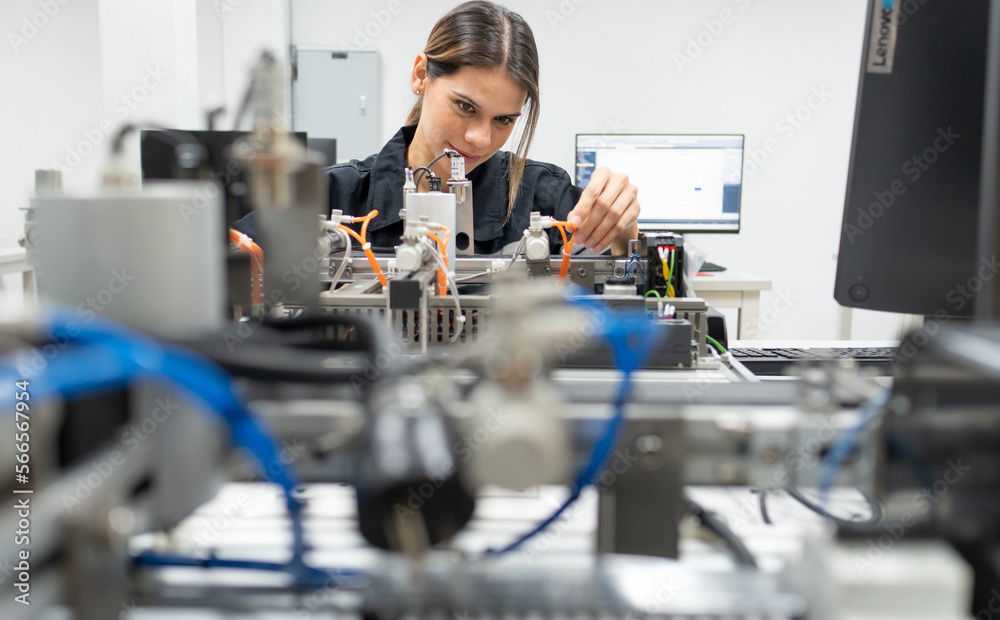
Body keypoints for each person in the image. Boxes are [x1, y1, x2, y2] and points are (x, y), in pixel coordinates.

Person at [239, 0, 640, 256]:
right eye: (465, 106)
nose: (481, 139)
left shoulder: (543, 197)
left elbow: (631, 272)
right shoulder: (333, 195)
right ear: (421, 76)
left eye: (503, 120)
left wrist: (622, 229)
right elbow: (225, 266)